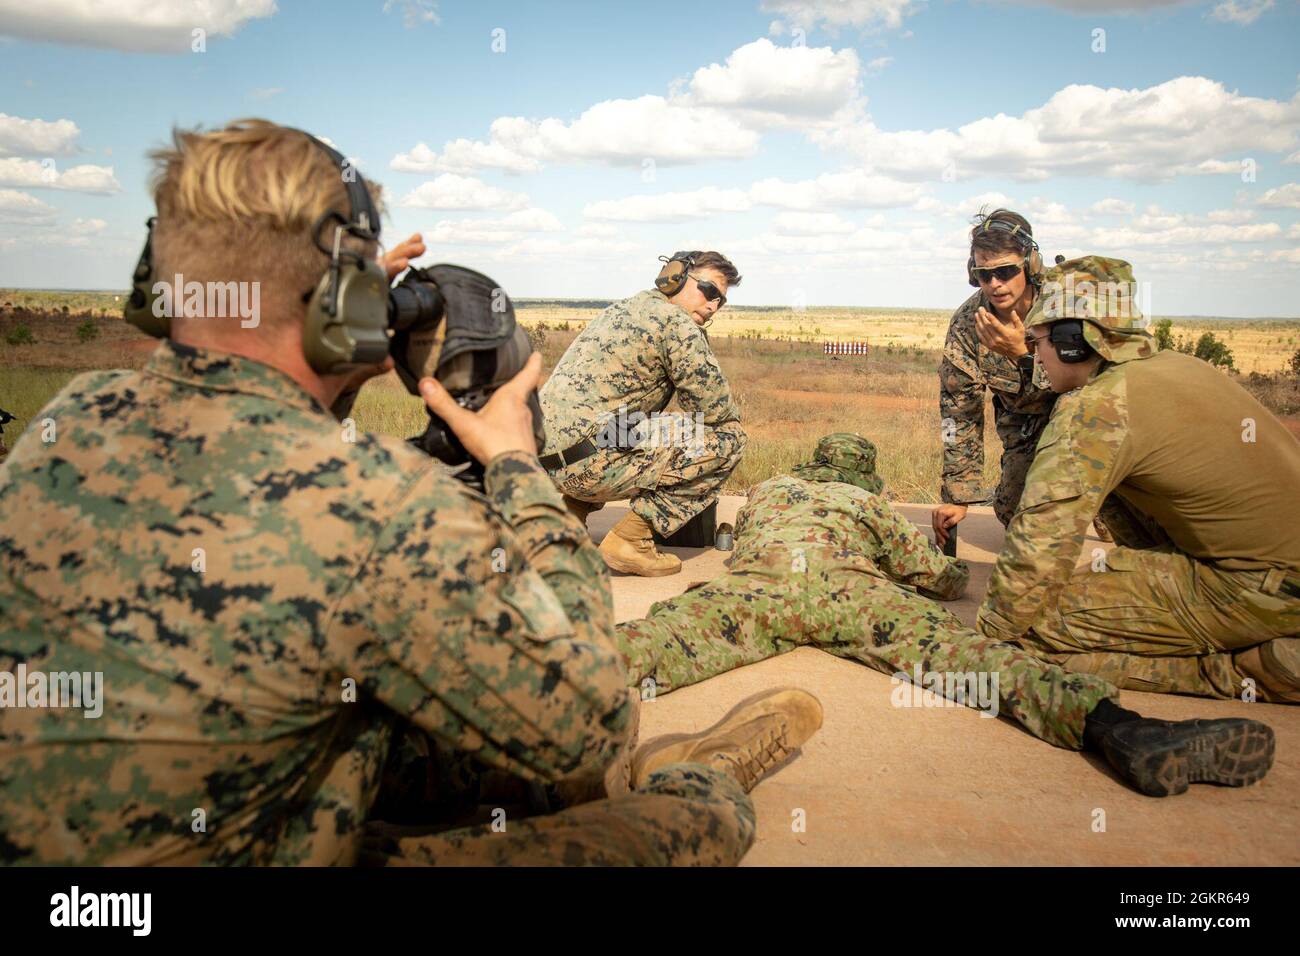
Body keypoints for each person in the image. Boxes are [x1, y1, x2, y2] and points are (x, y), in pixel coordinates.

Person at [0, 119, 822, 867]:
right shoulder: (374, 506)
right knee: (680, 824)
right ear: (344, 306)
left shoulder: (74, 416)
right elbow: (588, 718)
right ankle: (694, 779)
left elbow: (259, 397)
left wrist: (337, 342)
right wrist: (519, 471)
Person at [617, 433, 1277, 797]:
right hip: (857, 597)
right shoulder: (868, 504)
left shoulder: (767, 492)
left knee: (642, 646)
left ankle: (540, 705)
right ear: (866, 476)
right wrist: (950, 562)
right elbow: (936, 578)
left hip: (758, 593)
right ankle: (1121, 730)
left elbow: (737, 555)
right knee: (978, 664)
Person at [978, 255, 1300, 706]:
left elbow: (1038, 546)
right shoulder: (1181, 366)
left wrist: (988, 640)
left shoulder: (1098, 408)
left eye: (1039, 342)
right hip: (1268, 573)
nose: (1038, 358)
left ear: (1076, 342)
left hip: (1258, 588)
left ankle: (1250, 672)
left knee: (1034, 623)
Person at [538, 251, 746, 577]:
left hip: (547, 462)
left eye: (721, 300)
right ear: (674, 276)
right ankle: (632, 540)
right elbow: (713, 410)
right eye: (710, 291)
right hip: (590, 463)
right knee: (729, 437)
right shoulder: (676, 323)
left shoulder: (625, 308)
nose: (713, 306)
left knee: (622, 424)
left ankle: (566, 522)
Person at [932, 209, 1057, 549]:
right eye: (984, 275)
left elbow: (1096, 385)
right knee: (1017, 516)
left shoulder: (1066, 305)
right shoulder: (968, 324)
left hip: (1086, 417)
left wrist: (1024, 355)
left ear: (1030, 264)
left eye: (1005, 271)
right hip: (1026, 425)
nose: (995, 284)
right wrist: (957, 494)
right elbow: (958, 413)